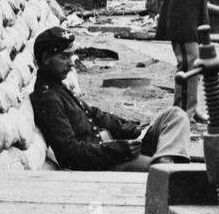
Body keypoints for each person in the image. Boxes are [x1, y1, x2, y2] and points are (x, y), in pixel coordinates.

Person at [30, 27, 192, 171]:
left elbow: (94, 114)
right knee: (160, 166)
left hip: (115, 149)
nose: (71, 64)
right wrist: (118, 150)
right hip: (104, 162)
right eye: (64, 57)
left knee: (175, 115)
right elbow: (70, 153)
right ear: (46, 58)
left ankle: (166, 164)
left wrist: (133, 130)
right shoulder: (48, 99)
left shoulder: (58, 86)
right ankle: (167, 169)